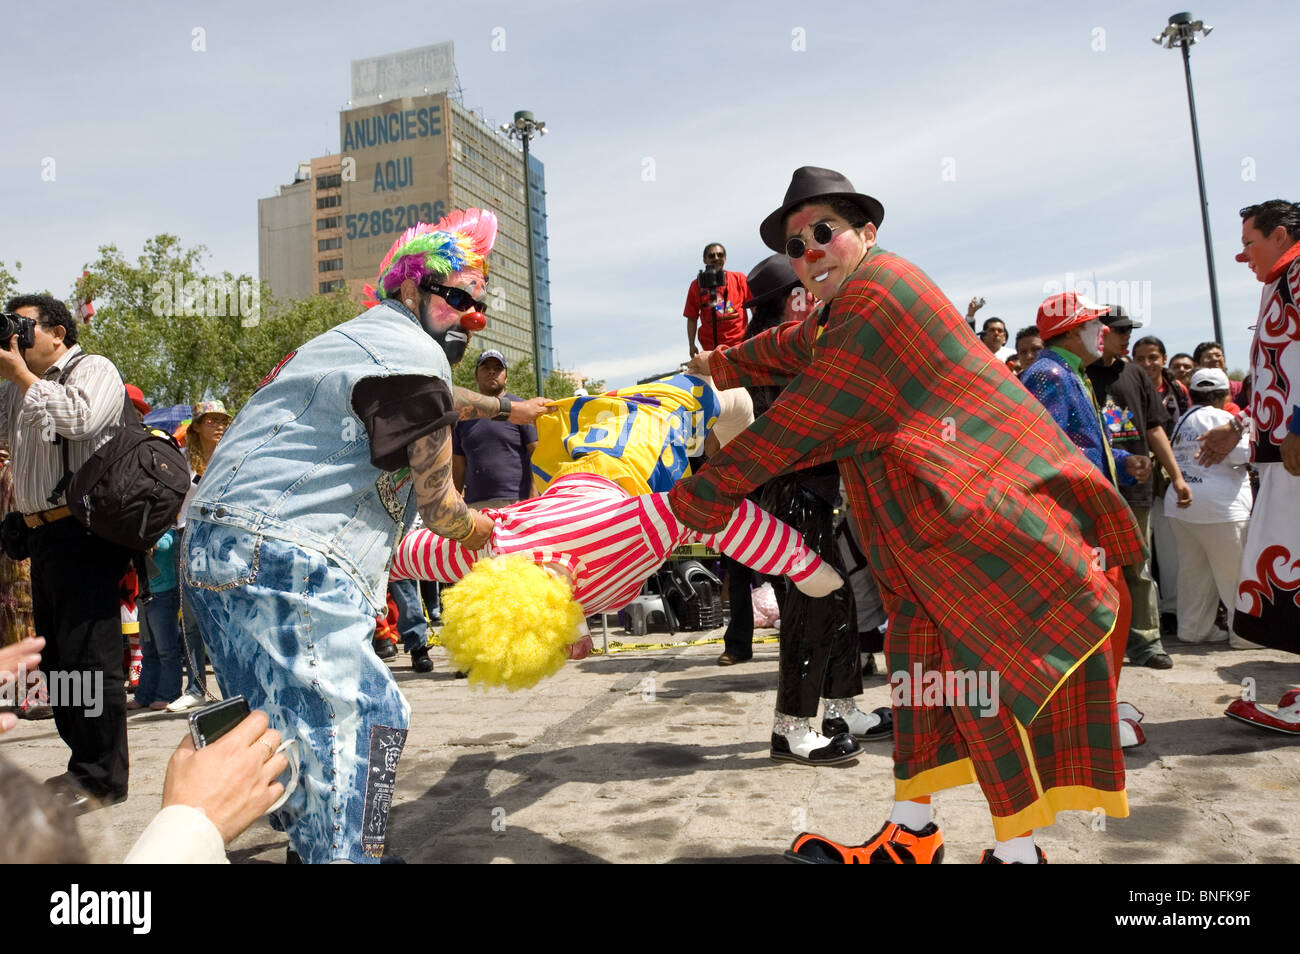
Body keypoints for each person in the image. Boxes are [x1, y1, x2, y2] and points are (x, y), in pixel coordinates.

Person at [673, 168, 1144, 864]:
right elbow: (794, 346)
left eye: (823, 232)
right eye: (798, 245)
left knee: (979, 685)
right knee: (917, 673)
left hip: (980, 519)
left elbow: (804, 416)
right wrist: (719, 361)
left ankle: (1018, 856)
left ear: (866, 233)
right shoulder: (847, 305)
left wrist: (696, 499)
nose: (811, 251)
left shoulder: (879, 297)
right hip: (928, 532)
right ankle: (912, 833)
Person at [182, 210, 551, 863]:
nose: (474, 318)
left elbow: (439, 395)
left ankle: (311, 846)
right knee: (374, 721)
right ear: (412, 290)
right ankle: (345, 856)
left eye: (479, 306)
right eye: (460, 299)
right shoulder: (415, 359)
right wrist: (491, 530)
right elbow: (441, 509)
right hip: (288, 553)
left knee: (278, 731)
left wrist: (504, 408)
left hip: (212, 547)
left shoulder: (353, 340)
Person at [388, 471, 844, 683]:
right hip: (559, 493)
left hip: (613, 476)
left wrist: (801, 565)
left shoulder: (633, 529)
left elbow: (710, 509)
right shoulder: (475, 557)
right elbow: (400, 557)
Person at [724, 253, 886, 764]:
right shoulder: (767, 352)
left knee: (837, 602)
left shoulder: (795, 344)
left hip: (816, 488)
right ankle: (790, 727)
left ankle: (841, 709)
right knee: (809, 604)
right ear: (788, 297)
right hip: (789, 489)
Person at [0, 293, 133, 812]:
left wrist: (21, 378)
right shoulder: (13, 388)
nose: (16, 335)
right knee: (59, 663)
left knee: (91, 658)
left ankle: (104, 779)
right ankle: (84, 767)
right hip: (41, 537)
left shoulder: (92, 368)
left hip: (86, 533)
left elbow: (80, 420)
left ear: (58, 333)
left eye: (25, 326)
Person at [1211, 200, 1300, 733]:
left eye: (1250, 242)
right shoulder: (1282, 281)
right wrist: (1240, 423)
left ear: (1282, 234)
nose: (1242, 254)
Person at [1085, 309, 1191, 670]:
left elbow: (1155, 428)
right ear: (1101, 332)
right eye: (1120, 330)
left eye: (1129, 329)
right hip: (1090, 488)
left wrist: (1176, 477)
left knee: (1137, 569)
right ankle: (1095, 647)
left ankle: (1146, 644)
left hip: (1136, 491)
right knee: (1093, 570)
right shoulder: (1079, 372)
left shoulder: (1135, 374)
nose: (1126, 335)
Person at [1164, 369, 1254, 646]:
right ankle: (1245, 635)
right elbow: (1242, 454)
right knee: (1234, 573)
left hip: (1181, 506)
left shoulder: (1184, 419)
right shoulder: (1225, 418)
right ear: (1224, 394)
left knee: (1193, 572)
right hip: (1221, 508)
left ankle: (1193, 630)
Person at [167, 400, 232, 713]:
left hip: (224, 537)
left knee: (227, 613)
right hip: (189, 535)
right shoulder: (182, 459)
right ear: (196, 426)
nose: (219, 425)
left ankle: (234, 683)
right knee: (191, 617)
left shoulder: (233, 455)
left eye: (222, 420)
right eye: (211, 420)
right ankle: (195, 687)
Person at [1132, 335, 1191, 635]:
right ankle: (1146, 615)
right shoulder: (1129, 385)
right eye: (1140, 358)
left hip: (1169, 474)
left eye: (1152, 357)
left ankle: (1172, 610)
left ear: (1163, 358)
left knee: (1170, 548)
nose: (1147, 364)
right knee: (1143, 550)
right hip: (1136, 472)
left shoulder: (1178, 391)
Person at [683, 243, 751, 357]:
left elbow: (755, 307)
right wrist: (691, 344)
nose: (716, 258)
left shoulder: (739, 278)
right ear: (705, 260)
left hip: (741, 344)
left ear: (725, 258)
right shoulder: (696, 285)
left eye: (720, 255)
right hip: (712, 349)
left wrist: (758, 332)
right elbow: (691, 318)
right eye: (711, 256)